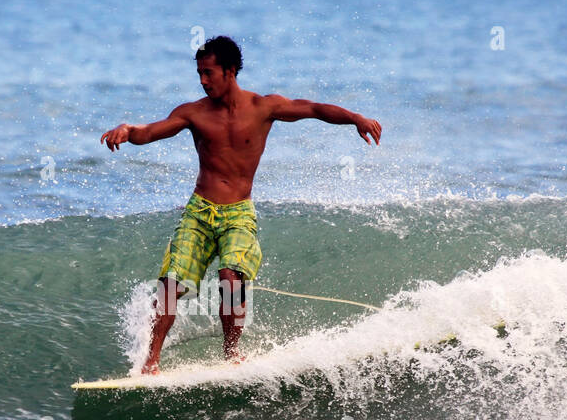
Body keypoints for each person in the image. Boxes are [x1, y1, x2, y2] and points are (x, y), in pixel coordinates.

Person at [100, 36, 382, 374]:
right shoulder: (194, 113)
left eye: (209, 73)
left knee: (230, 278)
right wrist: (127, 129)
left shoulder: (263, 108)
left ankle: (232, 354)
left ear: (230, 71)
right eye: (199, 74)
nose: (203, 81)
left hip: (238, 213)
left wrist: (355, 118)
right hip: (199, 211)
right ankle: (151, 362)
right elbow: (150, 131)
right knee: (171, 283)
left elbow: (313, 109)